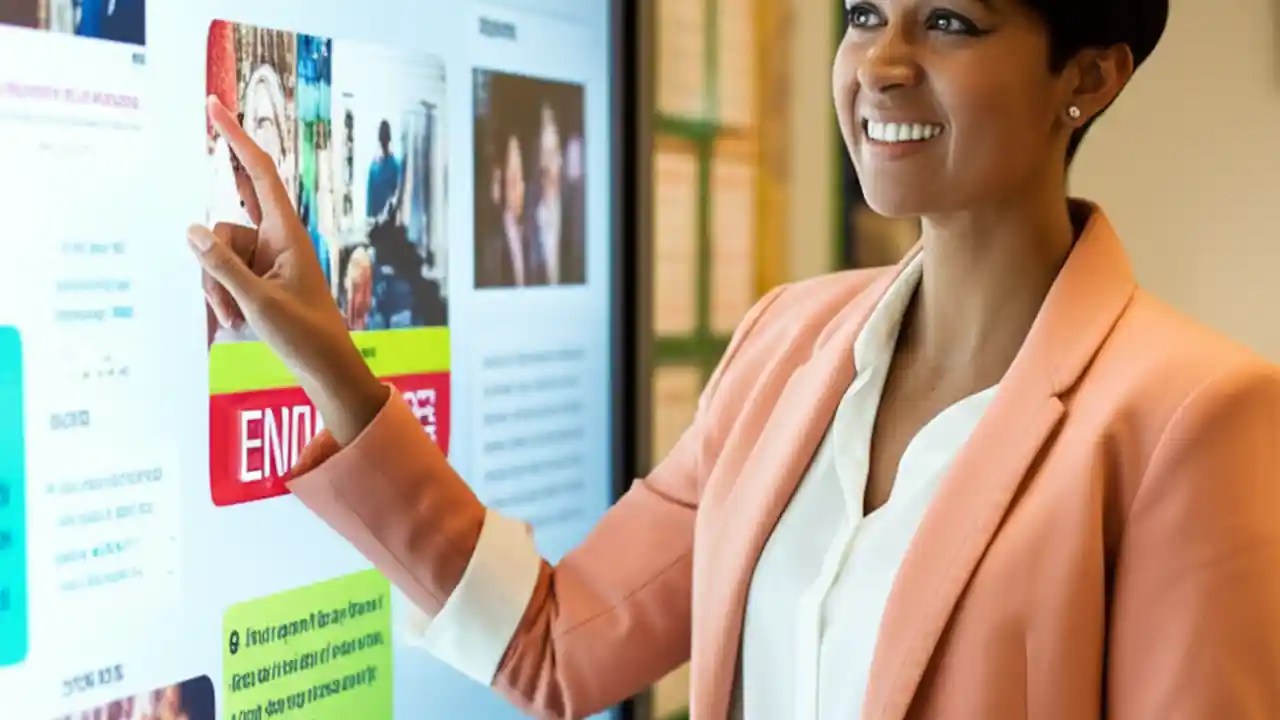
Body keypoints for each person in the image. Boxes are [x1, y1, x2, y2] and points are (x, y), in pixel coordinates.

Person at [188, 0, 1280, 716]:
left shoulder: (1191, 416)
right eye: (862, 16)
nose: (882, 66)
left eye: (949, 22)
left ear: (1085, 76)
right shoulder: (781, 348)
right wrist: (328, 360)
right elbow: (555, 645)